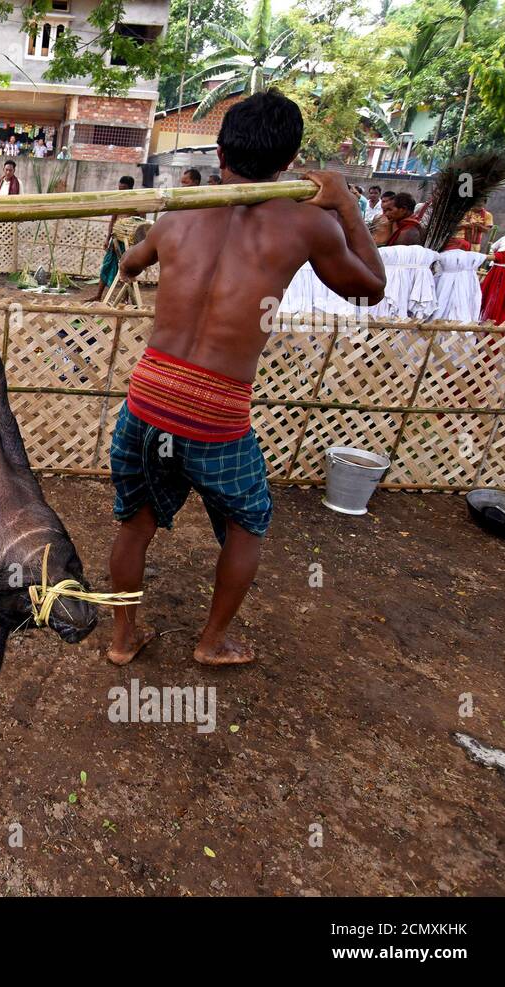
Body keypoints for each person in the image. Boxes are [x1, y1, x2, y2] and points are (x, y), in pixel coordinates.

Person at [105, 89, 384, 667]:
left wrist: (145, 249)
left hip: (150, 395)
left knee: (136, 522)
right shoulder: (308, 224)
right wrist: (346, 207)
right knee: (247, 523)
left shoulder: (181, 211)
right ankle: (211, 642)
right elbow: (369, 289)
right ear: (287, 162)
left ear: (222, 148)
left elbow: (131, 263)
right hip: (215, 411)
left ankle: (121, 639)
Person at [91, 175, 136, 301]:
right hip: (115, 239)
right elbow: (113, 220)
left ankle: (126, 299)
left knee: (127, 268)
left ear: (130, 188)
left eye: (124, 189)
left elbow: (139, 222)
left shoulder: (137, 202)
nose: (120, 191)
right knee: (107, 265)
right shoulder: (118, 201)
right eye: (119, 188)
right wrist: (107, 238)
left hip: (128, 241)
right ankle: (98, 295)